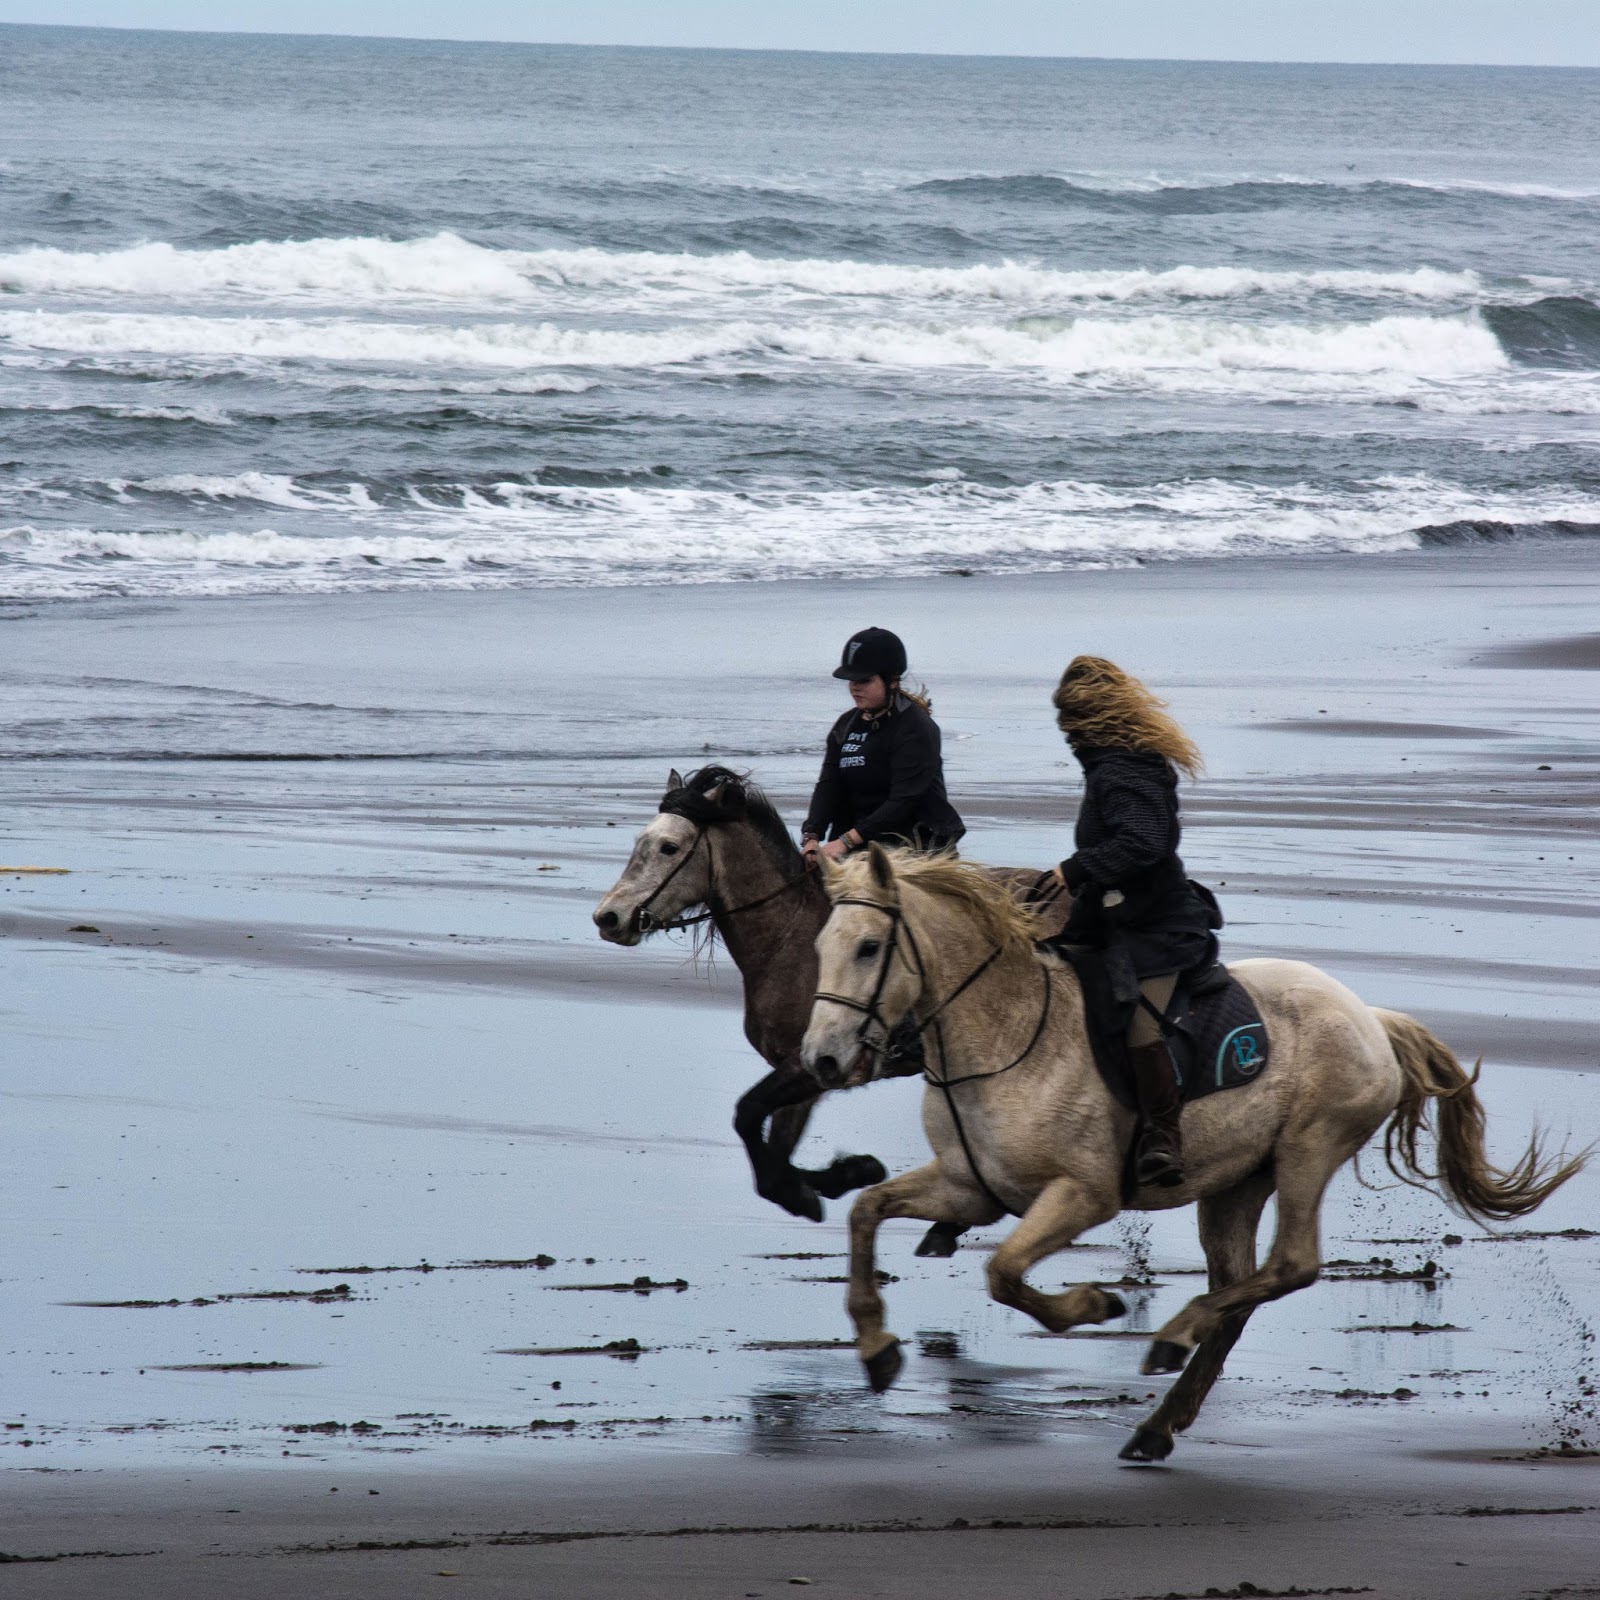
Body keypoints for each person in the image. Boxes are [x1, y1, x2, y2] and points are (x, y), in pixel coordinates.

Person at [1047, 655, 1220, 1188]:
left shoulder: (1123, 769)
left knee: (1141, 1024)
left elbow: (1145, 842)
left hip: (1160, 928)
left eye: (1071, 728)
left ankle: (1163, 1135)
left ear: (1089, 722)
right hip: (1117, 922)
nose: (1068, 739)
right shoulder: (1112, 764)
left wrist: (1074, 869)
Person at [801, 627, 964, 864]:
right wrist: (812, 836)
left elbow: (904, 801)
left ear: (892, 682)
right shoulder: (845, 725)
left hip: (914, 850)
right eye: (851, 680)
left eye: (864, 680)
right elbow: (829, 784)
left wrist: (846, 841)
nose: (855, 687)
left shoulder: (916, 729)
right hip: (856, 847)